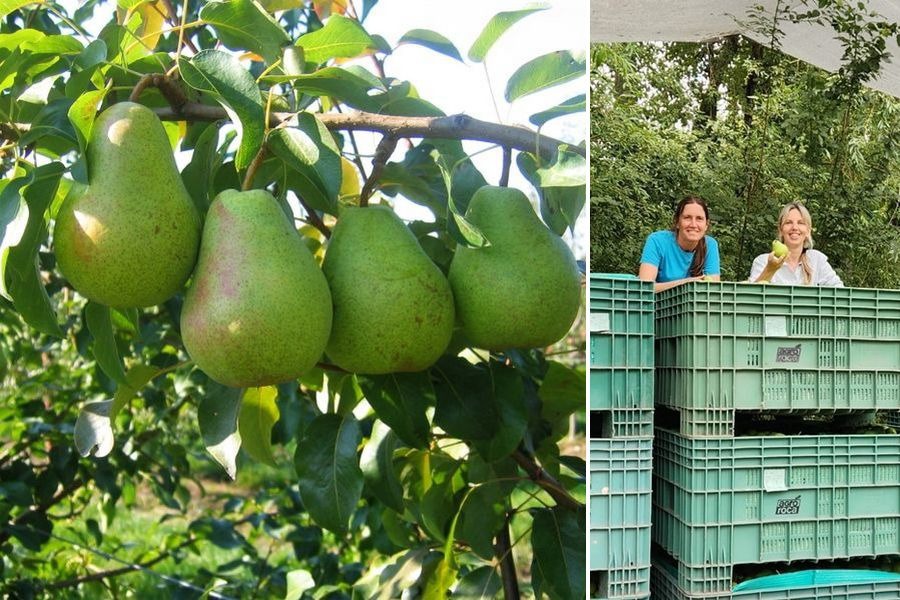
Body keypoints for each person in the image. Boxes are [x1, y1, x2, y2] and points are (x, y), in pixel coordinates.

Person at [638, 196, 721, 292]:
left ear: (706, 225)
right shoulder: (657, 241)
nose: (693, 224)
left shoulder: (710, 245)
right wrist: (687, 284)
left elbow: (714, 290)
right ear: (677, 222)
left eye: (699, 219)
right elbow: (645, 287)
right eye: (687, 218)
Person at [749, 202, 843, 286]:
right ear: (780, 230)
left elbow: (839, 292)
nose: (794, 227)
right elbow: (751, 299)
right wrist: (770, 269)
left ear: (808, 231)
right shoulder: (763, 261)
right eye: (788, 222)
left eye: (801, 223)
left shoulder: (817, 260)